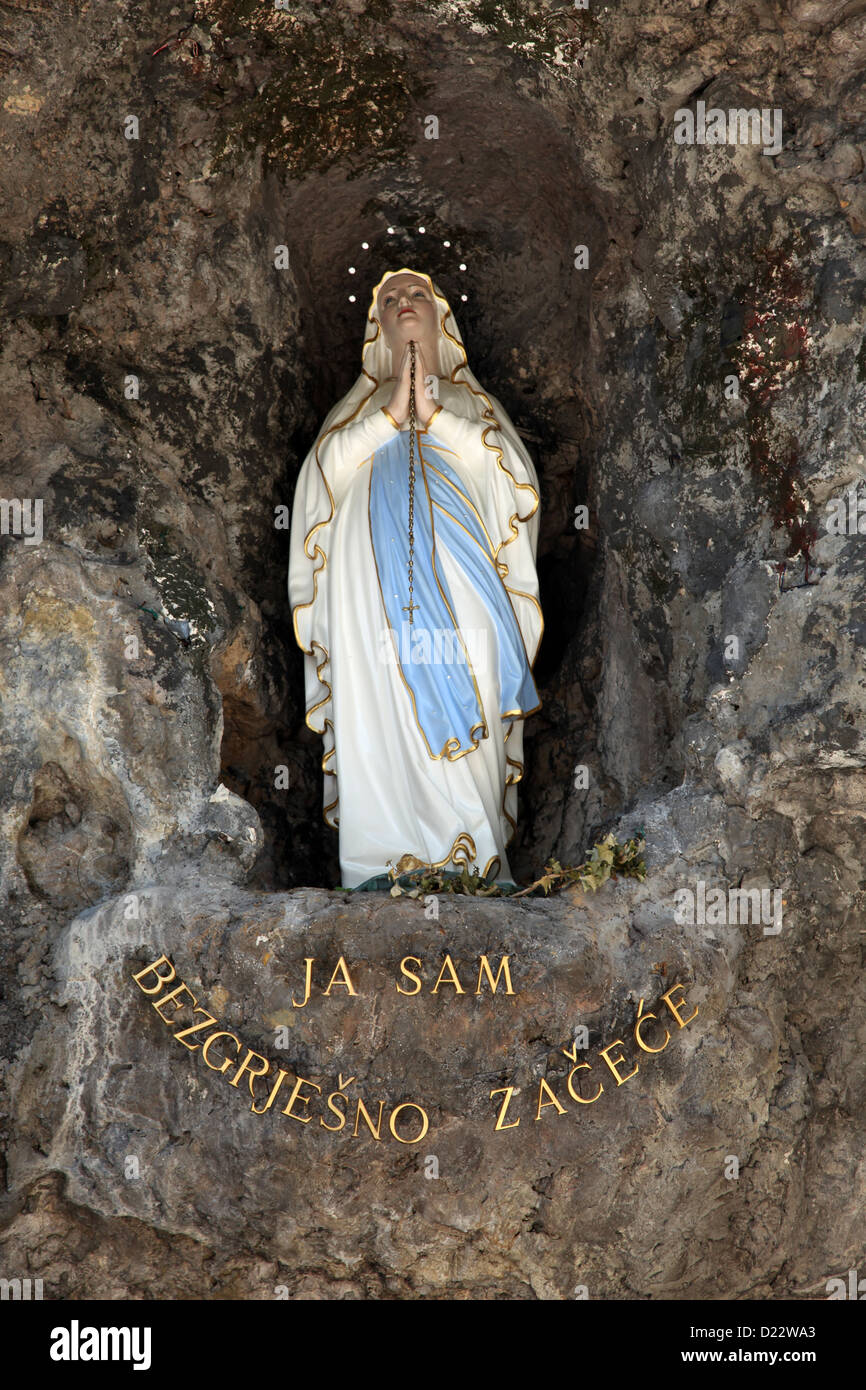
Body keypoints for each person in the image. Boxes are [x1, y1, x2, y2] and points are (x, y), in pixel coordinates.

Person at [288, 268, 543, 890]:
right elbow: (317, 486)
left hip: (462, 578)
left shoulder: (472, 405)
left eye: (417, 295)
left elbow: (514, 484)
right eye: (390, 298)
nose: (404, 303)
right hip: (368, 589)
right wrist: (389, 416)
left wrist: (434, 414)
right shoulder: (354, 410)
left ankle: (474, 862)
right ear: (376, 322)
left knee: (471, 684)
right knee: (377, 701)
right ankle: (383, 863)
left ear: (441, 319)